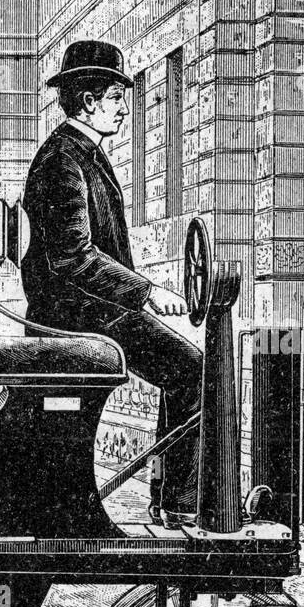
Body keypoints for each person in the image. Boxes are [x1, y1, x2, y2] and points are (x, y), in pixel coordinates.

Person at [21, 39, 202, 525]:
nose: (124, 108)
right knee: (193, 370)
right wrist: (146, 293)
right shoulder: (62, 161)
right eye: (117, 97)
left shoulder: (83, 154)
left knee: (188, 370)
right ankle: (181, 506)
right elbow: (74, 257)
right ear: (89, 101)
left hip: (93, 312)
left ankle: (172, 501)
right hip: (76, 319)